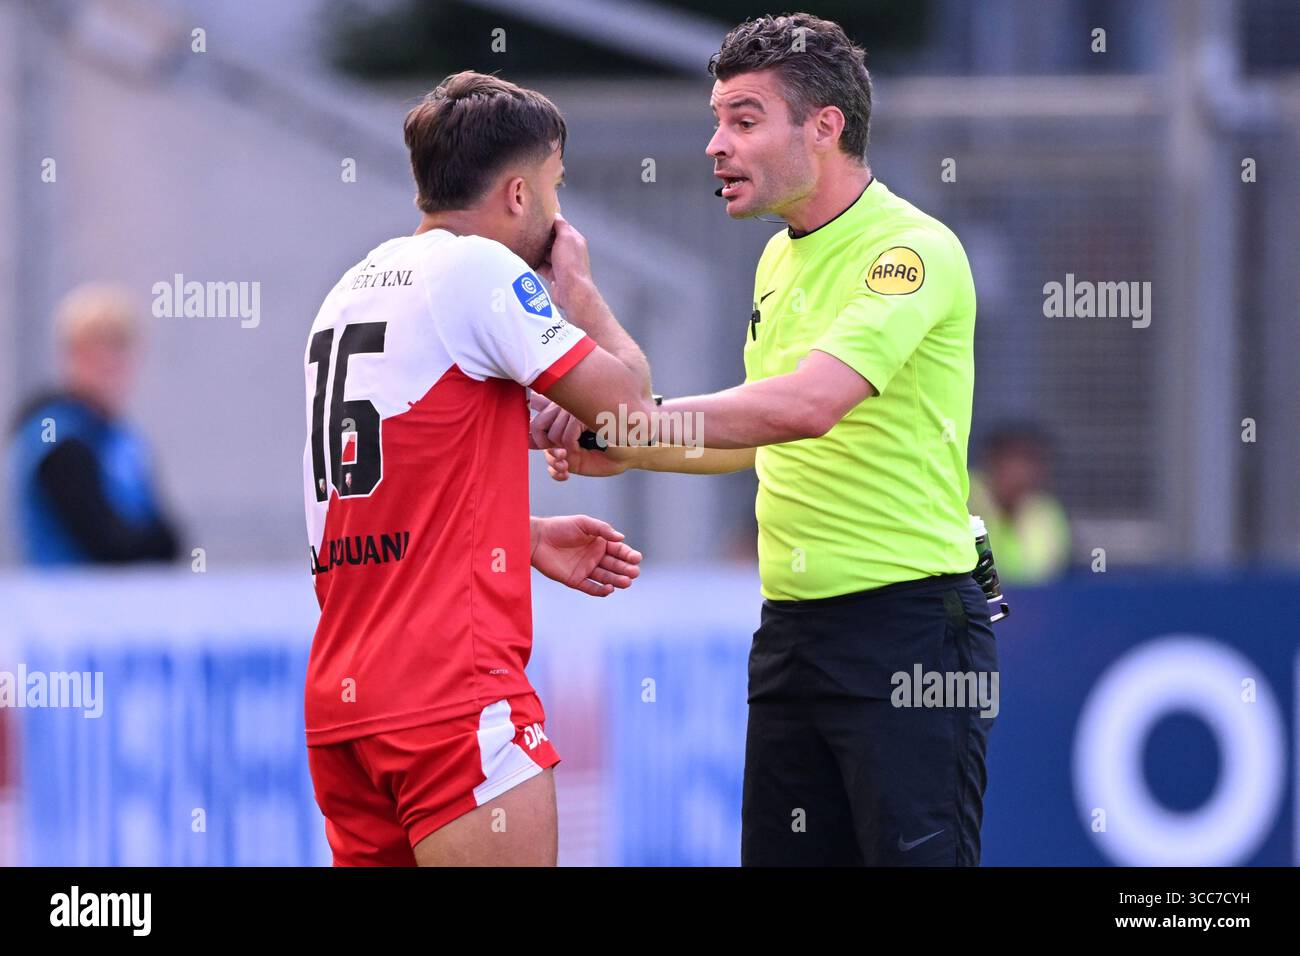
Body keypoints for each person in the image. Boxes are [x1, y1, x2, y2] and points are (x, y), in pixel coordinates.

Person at [538, 14, 998, 866]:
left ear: (825, 128)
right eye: (717, 120)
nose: (716, 144)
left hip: (907, 633)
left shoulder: (910, 250)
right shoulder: (779, 261)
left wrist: (635, 416)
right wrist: (630, 442)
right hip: (792, 634)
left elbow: (808, 406)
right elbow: (757, 437)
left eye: (744, 120)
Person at [302, 71, 658, 866]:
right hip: (449, 690)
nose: (561, 213)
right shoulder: (478, 273)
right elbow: (633, 406)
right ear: (520, 194)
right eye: (557, 187)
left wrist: (517, 531)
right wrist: (583, 295)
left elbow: (376, 490)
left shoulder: (348, 292)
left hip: (347, 701)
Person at [10, 283, 179, 566]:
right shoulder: (57, 440)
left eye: (118, 348)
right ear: (70, 355)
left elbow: (169, 539)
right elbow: (107, 544)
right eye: (94, 348)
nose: (108, 362)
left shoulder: (124, 442)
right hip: (64, 605)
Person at [968, 423, 1071, 584]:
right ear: (991, 461)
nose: (1022, 473)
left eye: (1030, 463)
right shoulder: (964, 496)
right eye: (1013, 460)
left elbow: (1047, 573)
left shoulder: (1048, 512)